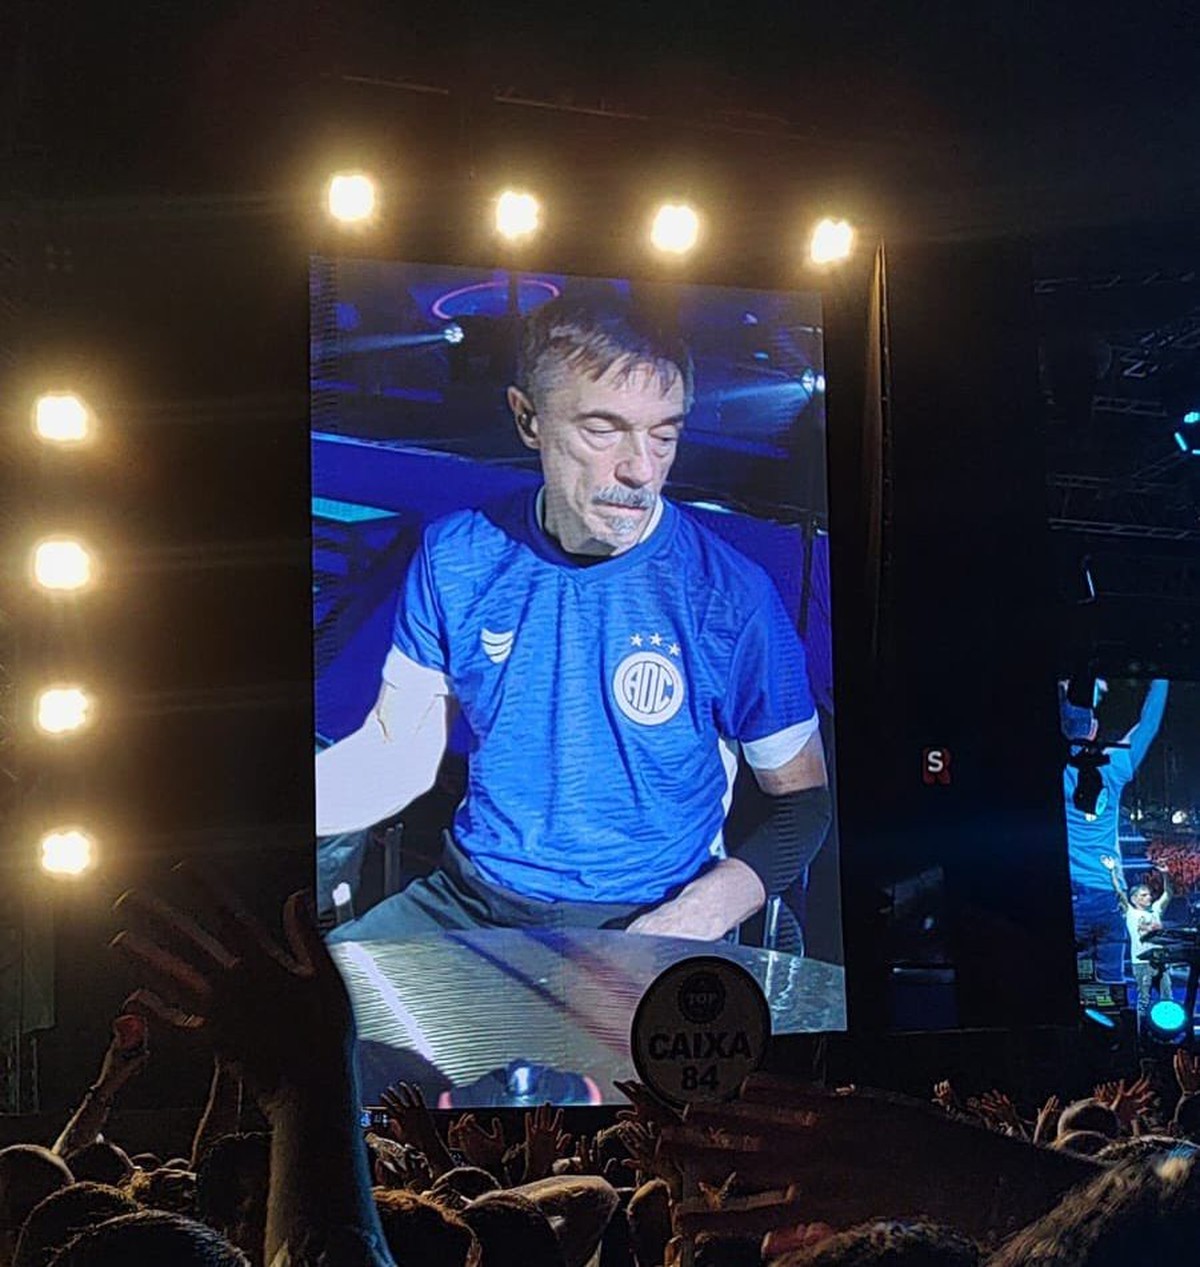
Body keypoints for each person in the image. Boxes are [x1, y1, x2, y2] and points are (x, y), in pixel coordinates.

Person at [318, 292, 831, 943]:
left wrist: (693, 916)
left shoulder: (730, 595)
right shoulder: (456, 555)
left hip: (645, 914)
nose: (641, 469)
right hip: (466, 898)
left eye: (664, 435)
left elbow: (804, 804)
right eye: (602, 429)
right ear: (527, 418)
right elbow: (397, 754)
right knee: (309, 1012)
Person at [1061, 679, 1168, 982]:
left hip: (1071, 894)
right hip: (1108, 895)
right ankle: (1113, 1024)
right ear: (1094, 729)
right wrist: (1160, 676)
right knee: (1109, 985)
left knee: (1076, 983)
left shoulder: (1054, 770)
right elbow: (1149, 724)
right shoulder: (1113, 765)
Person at [1101, 854, 1172, 1033]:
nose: (1148, 897)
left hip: (1160, 962)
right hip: (1142, 964)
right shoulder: (1131, 912)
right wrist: (1112, 872)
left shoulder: (1155, 910)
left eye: (1148, 894)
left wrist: (1165, 875)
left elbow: (1168, 893)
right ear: (1135, 898)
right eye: (1144, 895)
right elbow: (1119, 892)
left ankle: (1167, 1032)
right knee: (1144, 999)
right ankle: (1141, 1035)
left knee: (1167, 998)